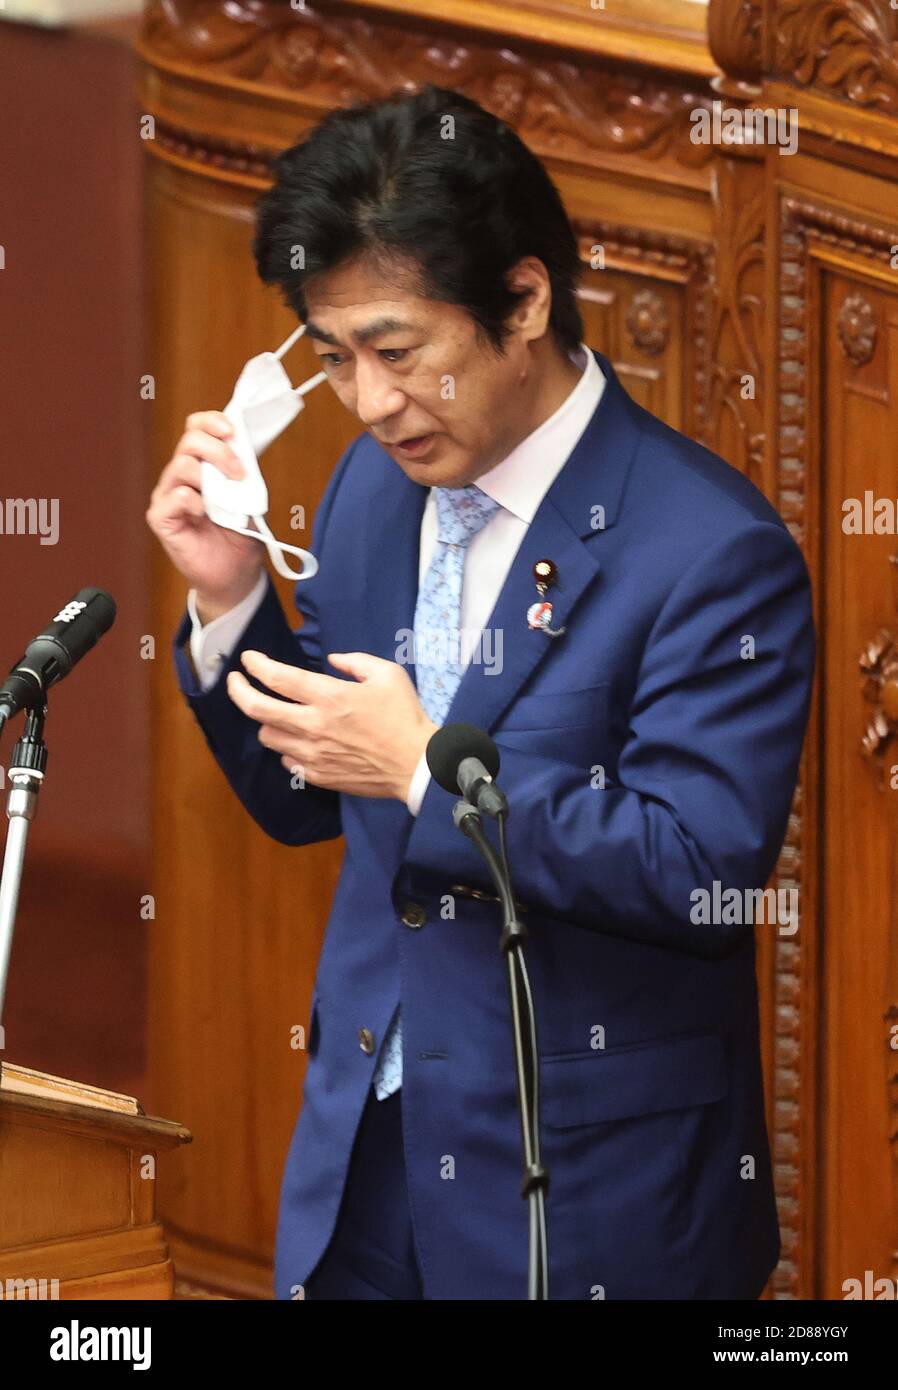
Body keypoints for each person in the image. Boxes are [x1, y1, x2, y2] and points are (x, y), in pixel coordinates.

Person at [146, 84, 815, 1300]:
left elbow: (698, 872)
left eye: (399, 352)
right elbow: (311, 799)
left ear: (523, 301)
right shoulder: (365, 491)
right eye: (335, 356)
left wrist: (423, 768)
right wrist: (229, 604)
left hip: (580, 1190)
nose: (369, 401)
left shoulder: (711, 551)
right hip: (369, 1154)